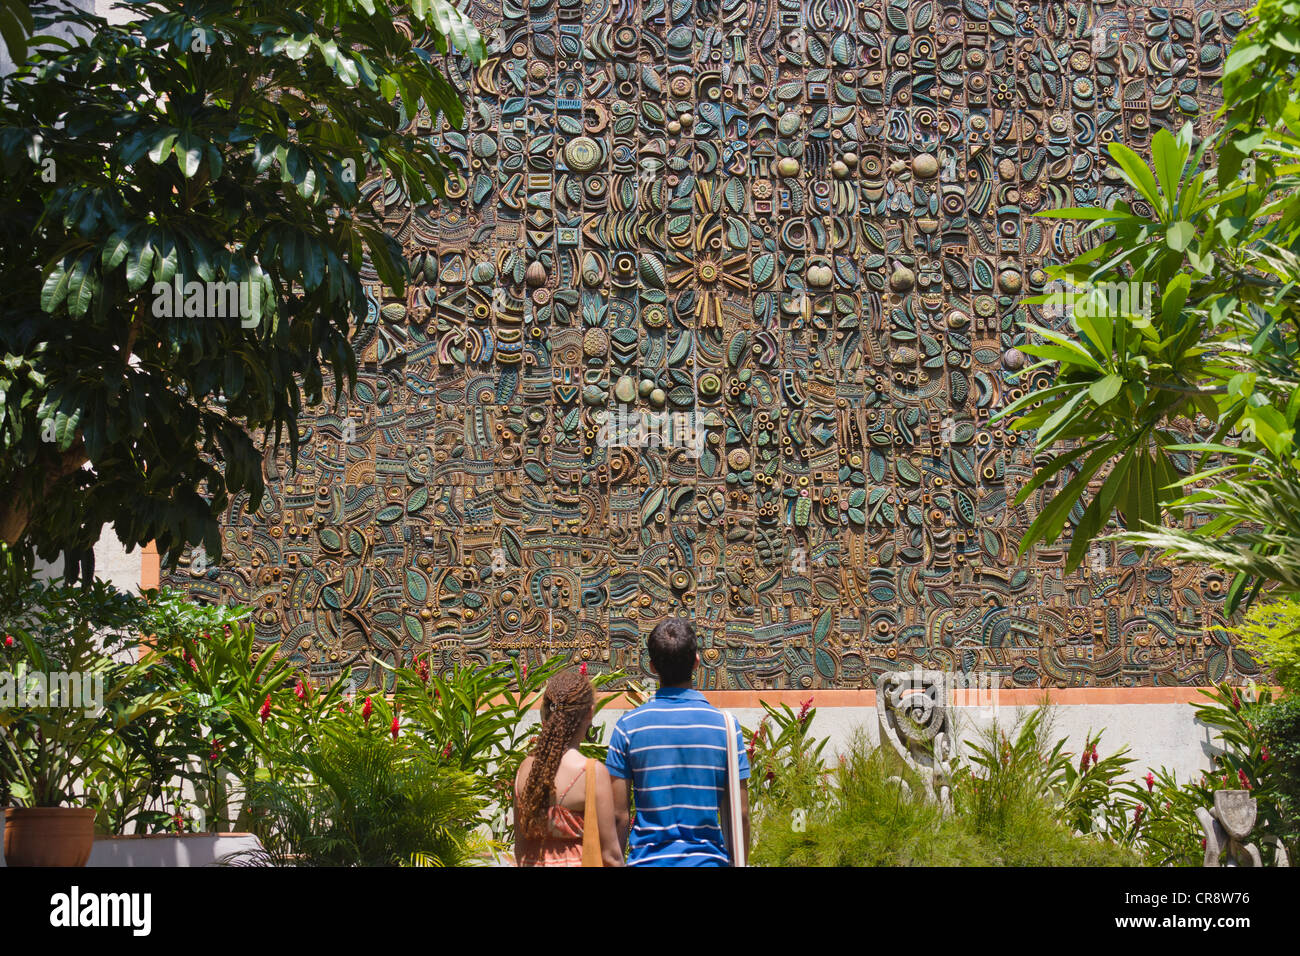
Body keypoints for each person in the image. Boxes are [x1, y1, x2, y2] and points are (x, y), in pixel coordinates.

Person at [605, 617, 750, 866]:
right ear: (696, 661)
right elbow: (742, 813)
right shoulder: (725, 727)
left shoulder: (628, 727)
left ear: (651, 666)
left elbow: (618, 814)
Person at [513, 668, 623, 866]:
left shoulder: (525, 769)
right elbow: (610, 856)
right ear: (590, 712)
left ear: (546, 711)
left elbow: (519, 848)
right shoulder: (591, 773)